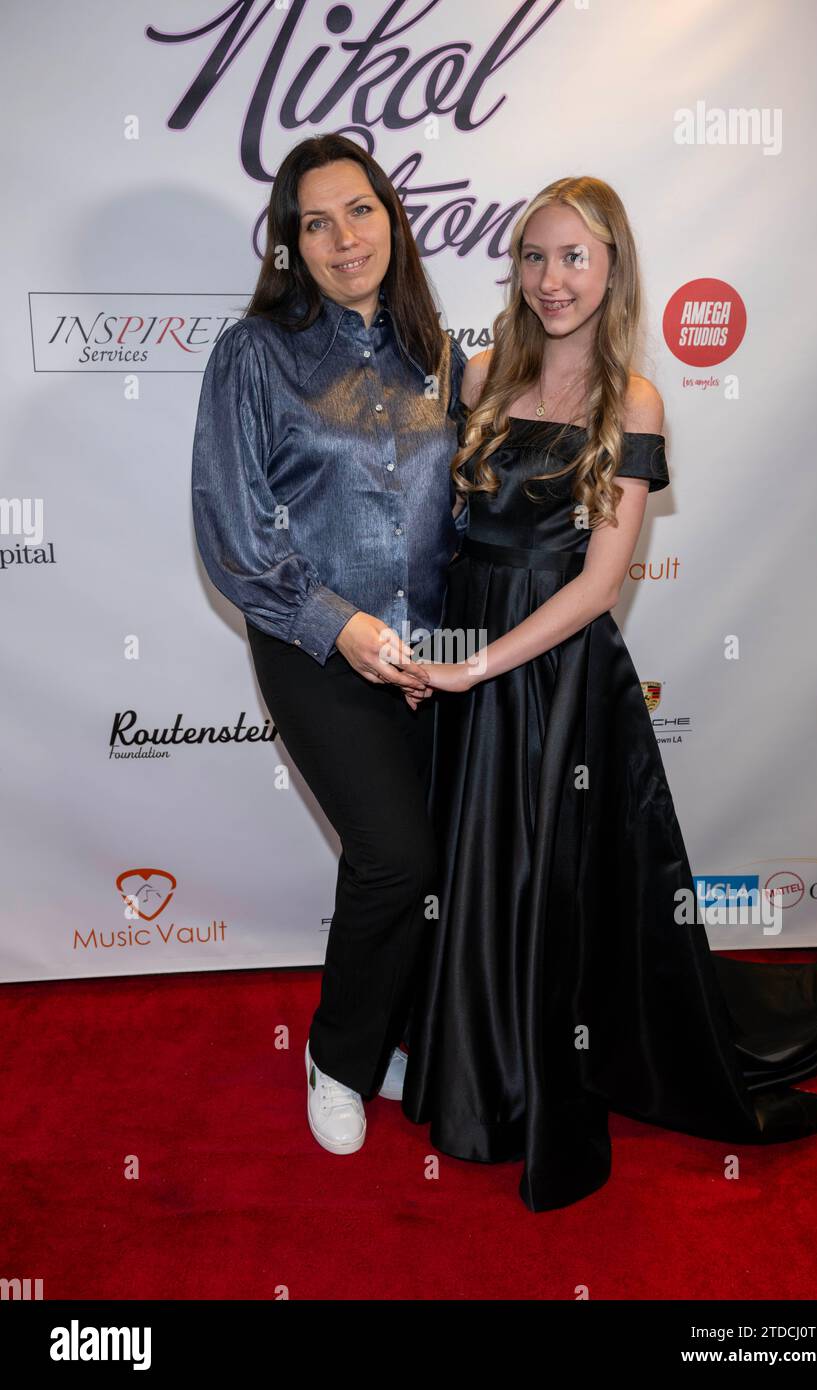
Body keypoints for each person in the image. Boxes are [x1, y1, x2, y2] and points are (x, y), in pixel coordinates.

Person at [399, 176, 817, 1213]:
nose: (552, 279)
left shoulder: (632, 402)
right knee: (464, 858)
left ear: (612, 272)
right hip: (466, 645)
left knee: (542, 876)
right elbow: (439, 540)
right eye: (534, 256)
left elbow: (601, 584)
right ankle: (456, 1055)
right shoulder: (473, 373)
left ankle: (521, 1077)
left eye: (574, 257)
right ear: (512, 272)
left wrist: (478, 664)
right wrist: (432, 652)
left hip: (554, 679)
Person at [191, 133, 464, 1157]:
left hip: (430, 656)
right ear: (288, 243)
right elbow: (232, 524)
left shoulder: (440, 357)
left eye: (360, 211)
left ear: (391, 218)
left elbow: (460, 514)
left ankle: (395, 1029)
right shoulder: (253, 356)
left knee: (420, 863)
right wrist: (338, 625)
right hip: (311, 647)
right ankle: (336, 1056)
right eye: (316, 221)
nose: (344, 237)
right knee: (397, 856)